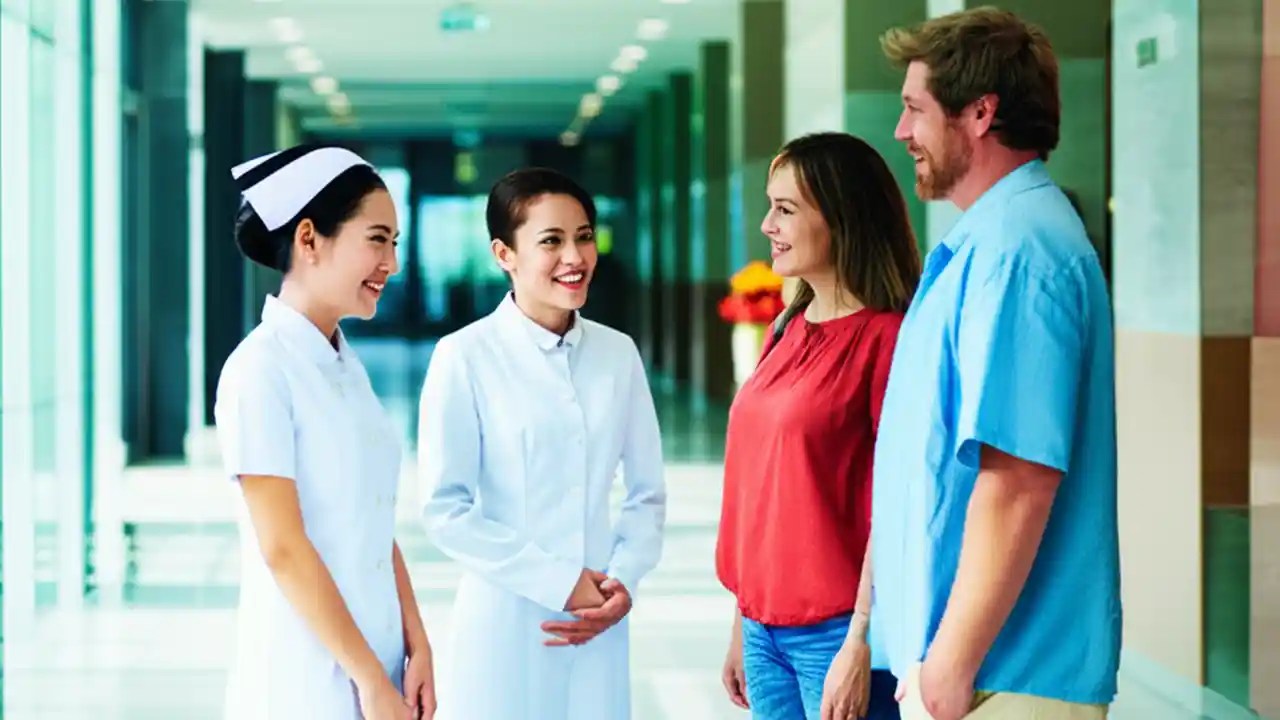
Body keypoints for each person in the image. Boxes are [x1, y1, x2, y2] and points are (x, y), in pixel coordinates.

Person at [873, 8, 1121, 720]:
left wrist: (952, 662)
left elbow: (1018, 477)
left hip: (998, 675)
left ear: (980, 113)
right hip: (973, 667)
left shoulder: (1019, 252)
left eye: (915, 110)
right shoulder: (987, 244)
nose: (901, 133)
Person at [418, 167, 666, 720]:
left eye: (583, 236)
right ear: (504, 253)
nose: (574, 256)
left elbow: (646, 494)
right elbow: (445, 509)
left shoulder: (617, 354)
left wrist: (621, 580)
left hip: (597, 620)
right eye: (550, 241)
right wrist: (559, 582)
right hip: (503, 621)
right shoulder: (465, 356)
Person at [214, 144, 435, 720]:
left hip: (375, 661)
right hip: (305, 676)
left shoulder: (343, 365)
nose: (391, 262)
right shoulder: (259, 370)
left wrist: (417, 643)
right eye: (377, 239)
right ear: (309, 239)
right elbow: (282, 547)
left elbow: (370, 522)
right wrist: (369, 679)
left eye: (395, 243)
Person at [716, 132, 922, 720]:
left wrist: (863, 640)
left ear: (842, 218)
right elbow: (763, 486)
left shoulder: (888, 339)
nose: (766, 226)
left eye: (785, 210)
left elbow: (898, 501)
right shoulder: (786, 326)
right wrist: (742, 620)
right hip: (764, 629)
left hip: (837, 633)